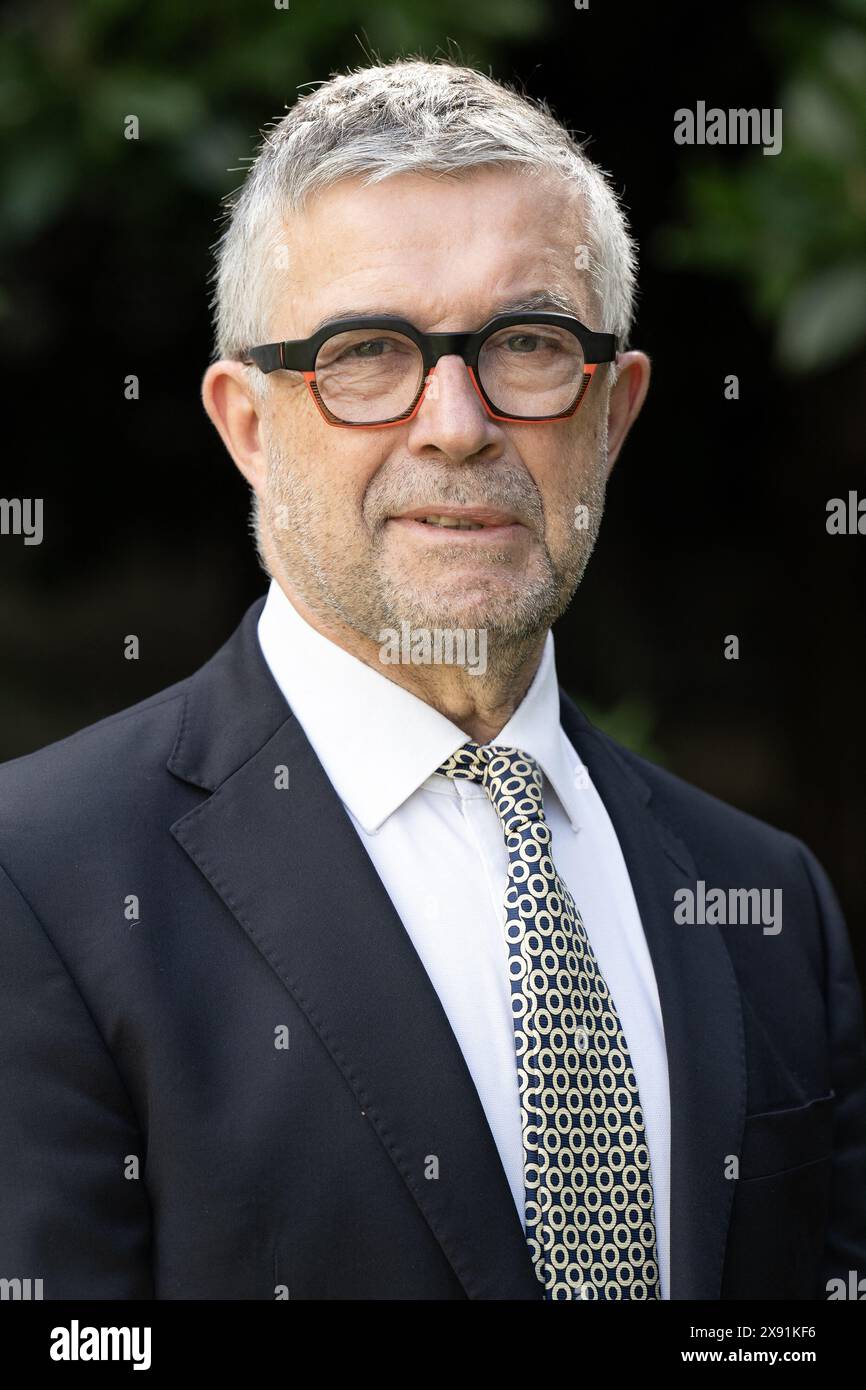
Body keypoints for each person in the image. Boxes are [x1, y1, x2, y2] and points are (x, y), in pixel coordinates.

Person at [1, 58, 864, 1302]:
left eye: (524, 342)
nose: (455, 422)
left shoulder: (763, 899)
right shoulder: (39, 882)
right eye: (365, 351)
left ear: (612, 413)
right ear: (247, 423)